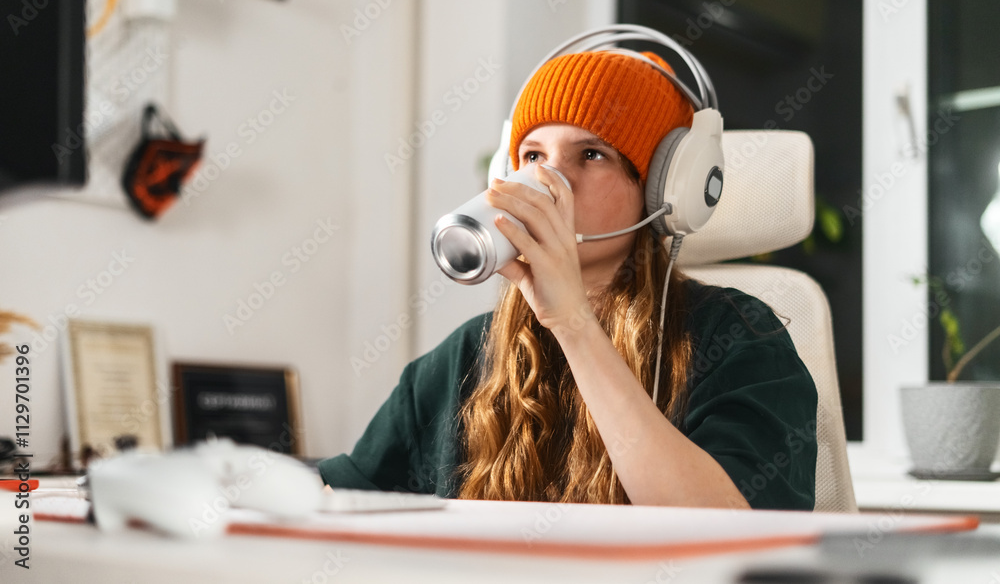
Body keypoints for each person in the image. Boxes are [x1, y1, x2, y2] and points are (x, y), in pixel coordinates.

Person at [318, 48, 817, 511]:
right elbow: (334, 507)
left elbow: (729, 530)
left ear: (662, 187)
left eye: (591, 154)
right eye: (533, 157)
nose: (548, 183)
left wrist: (574, 323)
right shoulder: (465, 357)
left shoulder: (738, 336)